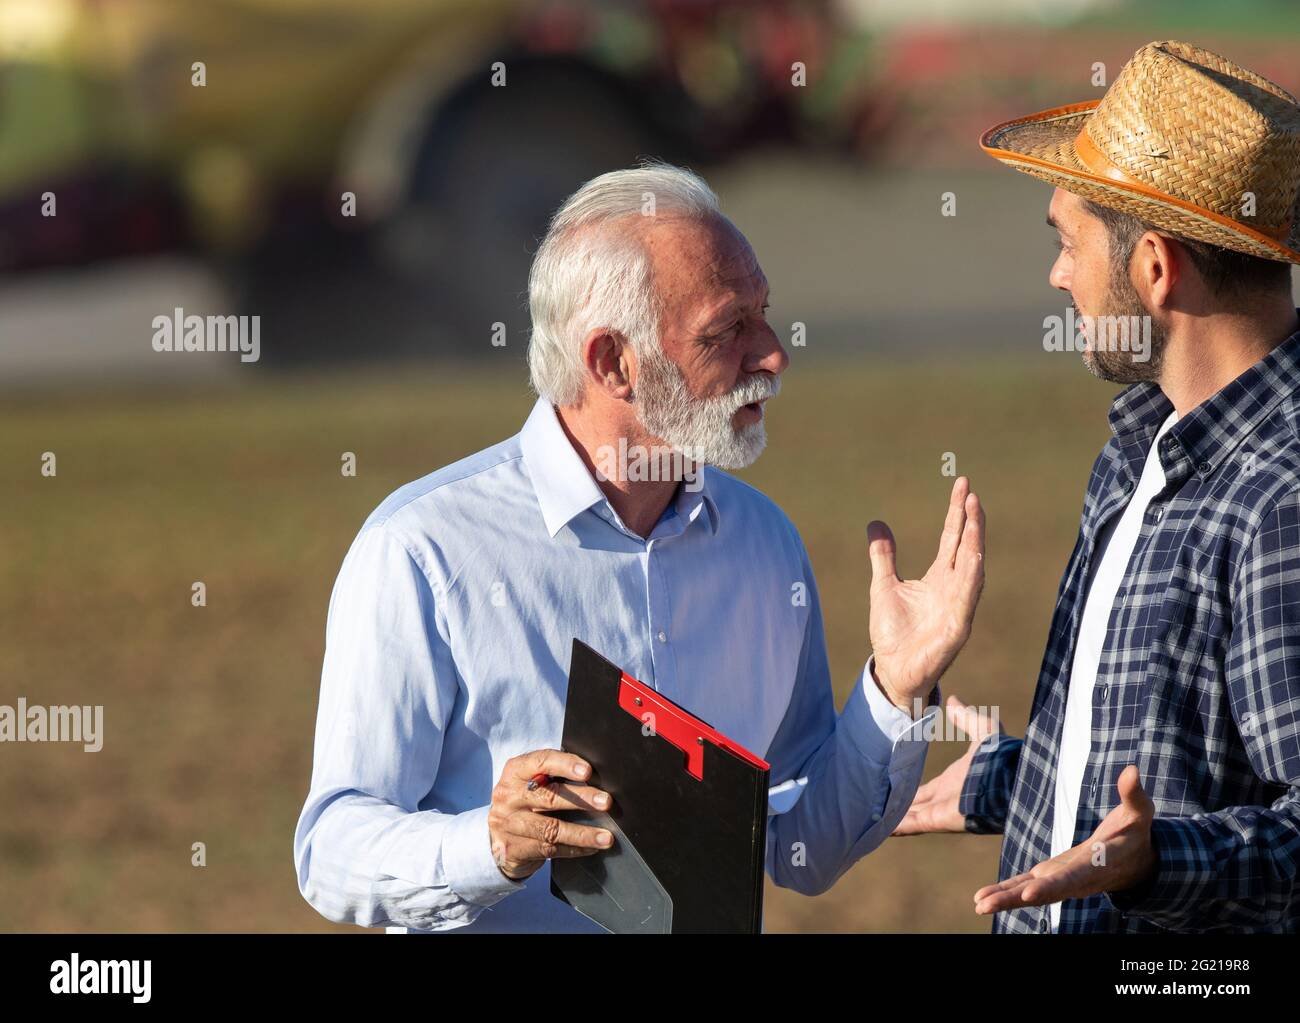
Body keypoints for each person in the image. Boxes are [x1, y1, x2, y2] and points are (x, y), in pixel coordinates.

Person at [293, 162, 986, 932]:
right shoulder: (423, 551)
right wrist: (487, 844)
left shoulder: (765, 545)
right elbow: (332, 848)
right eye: (727, 330)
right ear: (610, 363)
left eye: (765, 313)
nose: (773, 354)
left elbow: (798, 842)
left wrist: (894, 692)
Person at [896, 40, 1300, 934]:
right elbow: (1160, 751)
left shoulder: (1282, 500)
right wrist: (1019, 775)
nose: (1058, 274)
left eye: (1068, 242)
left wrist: (1159, 863)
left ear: (1154, 269)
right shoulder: (1133, 451)